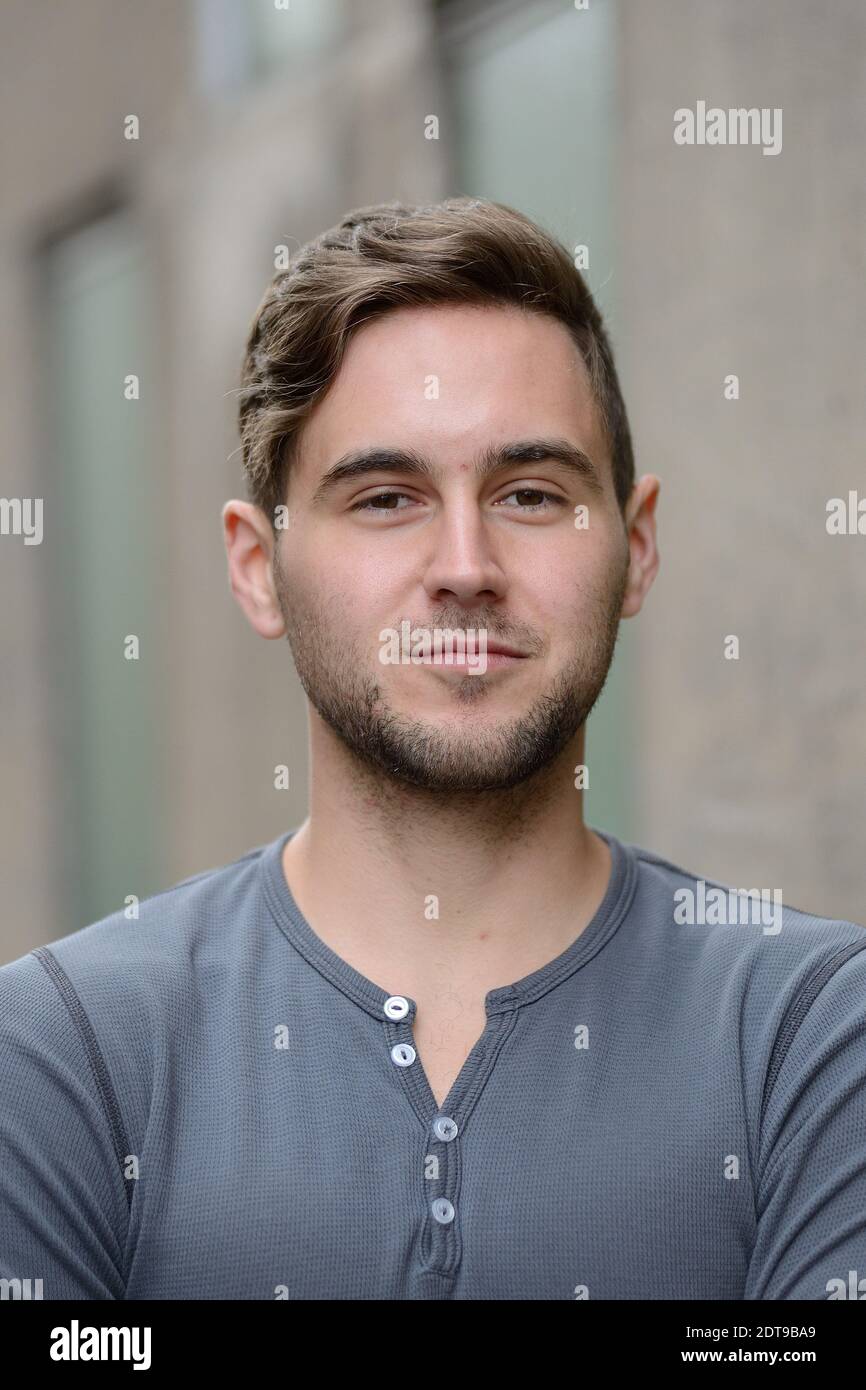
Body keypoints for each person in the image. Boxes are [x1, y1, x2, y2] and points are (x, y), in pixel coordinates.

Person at [2, 198, 864, 1301]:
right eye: (386, 497)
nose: (465, 562)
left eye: (530, 494)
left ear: (634, 547)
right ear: (258, 566)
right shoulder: (60, 1057)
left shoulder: (808, 1035)